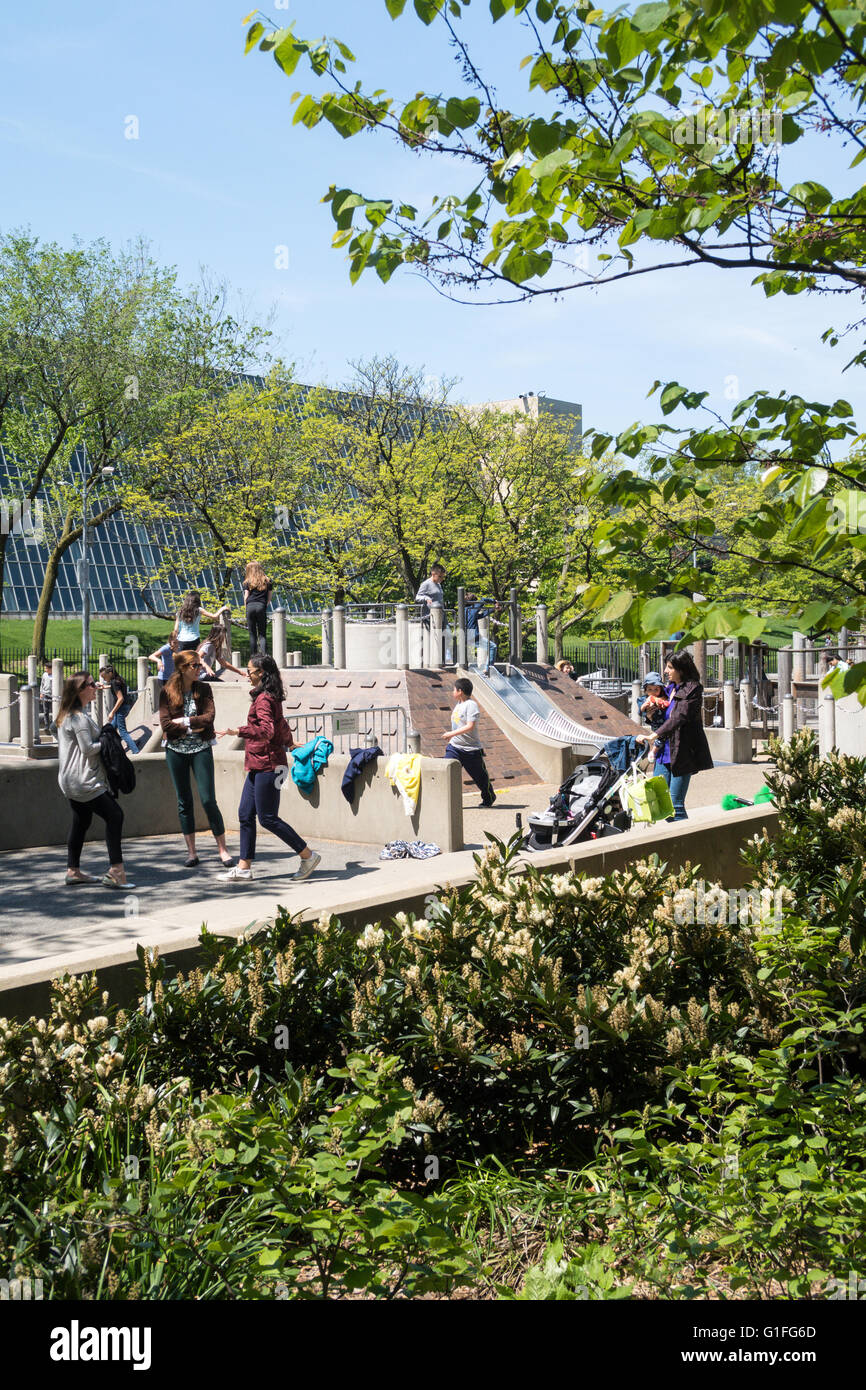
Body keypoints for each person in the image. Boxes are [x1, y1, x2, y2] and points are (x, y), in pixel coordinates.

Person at [216, 653, 321, 883]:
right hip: (260, 764)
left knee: (268, 818)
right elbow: (281, 723)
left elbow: (267, 731)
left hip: (270, 766)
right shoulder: (270, 697)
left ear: (261, 673)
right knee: (245, 814)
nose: (247, 675)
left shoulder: (264, 699)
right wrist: (290, 743)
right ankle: (244, 868)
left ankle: (308, 856)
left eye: (250, 671)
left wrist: (239, 731)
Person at [158, 651, 235, 869]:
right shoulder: (167, 692)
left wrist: (184, 722)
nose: (199, 668)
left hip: (201, 748)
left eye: (199, 664)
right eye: (194, 665)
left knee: (208, 799)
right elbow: (165, 724)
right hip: (175, 750)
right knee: (184, 801)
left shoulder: (204, 688)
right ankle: (192, 852)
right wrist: (193, 725)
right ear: (182, 668)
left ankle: (223, 850)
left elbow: (209, 718)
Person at [56, 670, 132, 888]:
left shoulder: (65, 715)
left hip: (69, 781)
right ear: (80, 690)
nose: (95, 686)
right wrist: (110, 745)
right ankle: (117, 872)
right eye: (91, 684)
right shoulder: (78, 718)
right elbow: (87, 749)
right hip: (84, 781)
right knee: (115, 815)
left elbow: (61, 735)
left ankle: (73, 870)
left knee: (81, 821)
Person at [637, 651, 713, 821]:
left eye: (670, 667)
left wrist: (653, 735)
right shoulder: (669, 688)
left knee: (675, 804)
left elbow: (679, 717)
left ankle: (686, 844)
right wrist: (650, 716)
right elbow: (662, 717)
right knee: (661, 802)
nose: (665, 671)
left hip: (682, 752)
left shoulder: (693, 689)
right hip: (664, 750)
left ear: (681, 669)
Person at [441, 676, 497, 807]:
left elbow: (470, 726)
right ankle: (447, 802)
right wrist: (452, 737)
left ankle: (489, 797)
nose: (452, 692)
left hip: (471, 749)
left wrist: (451, 733)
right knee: (446, 771)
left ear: (460, 691)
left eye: (454, 689)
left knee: (480, 778)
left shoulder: (471, 705)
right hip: (454, 747)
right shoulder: (458, 705)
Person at [637, 671, 673, 776]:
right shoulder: (644, 699)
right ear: (645, 690)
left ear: (661, 689)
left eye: (656, 689)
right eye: (650, 689)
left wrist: (661, 702)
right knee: (660, 737)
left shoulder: (663, 697)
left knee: (661, 738)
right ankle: (653, 751)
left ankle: (653, 751)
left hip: (664, 724)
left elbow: (667, 705)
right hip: (656, 724)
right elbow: (641, 711)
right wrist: (646, 705)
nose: (653, 692)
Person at [99, 663, 139, 756]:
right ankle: (111, 747)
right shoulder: (119, 678)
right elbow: (117, 687)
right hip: (126, 706)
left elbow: (120, 698)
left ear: (109, 674)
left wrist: (112, 712)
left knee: (123, 732)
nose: (104, 679)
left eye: (104, 677)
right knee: (111, 728)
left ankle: (135, 751)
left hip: (121, 709)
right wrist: (105, 687)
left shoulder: (114, 682)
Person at [198, 613, 245, 683]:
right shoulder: (208, 645)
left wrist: (240, 672)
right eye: (223, 634)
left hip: (207, 675)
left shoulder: (216, 647)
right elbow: (197, 656)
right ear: (218, 635)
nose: (224, 637)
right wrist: (207, 667)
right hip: (200, 675)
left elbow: (224, 664)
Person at [243, 562, 273, 657]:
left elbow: (246, 597)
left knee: (252, 634)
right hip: (261, 606)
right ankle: (265, 656)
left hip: (250, 607)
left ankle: (253, 657)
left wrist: (246, 607)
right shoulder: (268, 581)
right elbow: (269, 598)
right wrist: (264, 605)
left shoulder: (247, 582)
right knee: (262, 634)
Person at [39, 659, 53, 729]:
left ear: (51, 669)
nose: (45, 669)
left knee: (54, 710)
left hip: (53, 695)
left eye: (47, 668)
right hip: (45, 694)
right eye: (45, 668)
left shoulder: (54, 675)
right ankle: (47, 724)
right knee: (45, 711)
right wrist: (41, 692)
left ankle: (54, 724)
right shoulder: (44, 675)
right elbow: (42, 684)